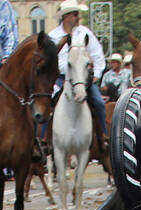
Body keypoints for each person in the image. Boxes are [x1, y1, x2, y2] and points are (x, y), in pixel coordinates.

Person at [50, 1, 108, 154]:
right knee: (46, 103)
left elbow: (98, 55)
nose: (78, 17)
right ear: (66, 16)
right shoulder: (53, 36)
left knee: (99, 102)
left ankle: (103, 136)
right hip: (61, 77)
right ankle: (43, 141)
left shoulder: (85, 33)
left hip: (82, 78)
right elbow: (50, 61)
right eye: (76, 14)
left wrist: (96, 75)